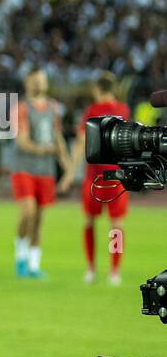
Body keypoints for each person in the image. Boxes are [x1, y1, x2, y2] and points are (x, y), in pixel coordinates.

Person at [10, 69, 72, 279]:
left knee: (38, 218)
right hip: (24, 166)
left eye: (41, 80)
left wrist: (66, 166)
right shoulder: (21, 108)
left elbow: (57, 137)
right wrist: (43, 149)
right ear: (27, 82)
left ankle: (34, 265)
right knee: (27, 211)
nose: (38, 84)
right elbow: (21, 139)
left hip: (45, 169)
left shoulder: (53, 108)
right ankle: (20, 254)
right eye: (34, 80)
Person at [77, 72, 132, 285]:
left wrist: (70, 170)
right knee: (116, 225)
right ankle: (114, 271)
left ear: (97, 89)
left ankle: (91, 269)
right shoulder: (123, 110)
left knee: (90, 221)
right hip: (118, 176)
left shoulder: (92, 111)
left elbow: (82, 141)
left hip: (94, 176)